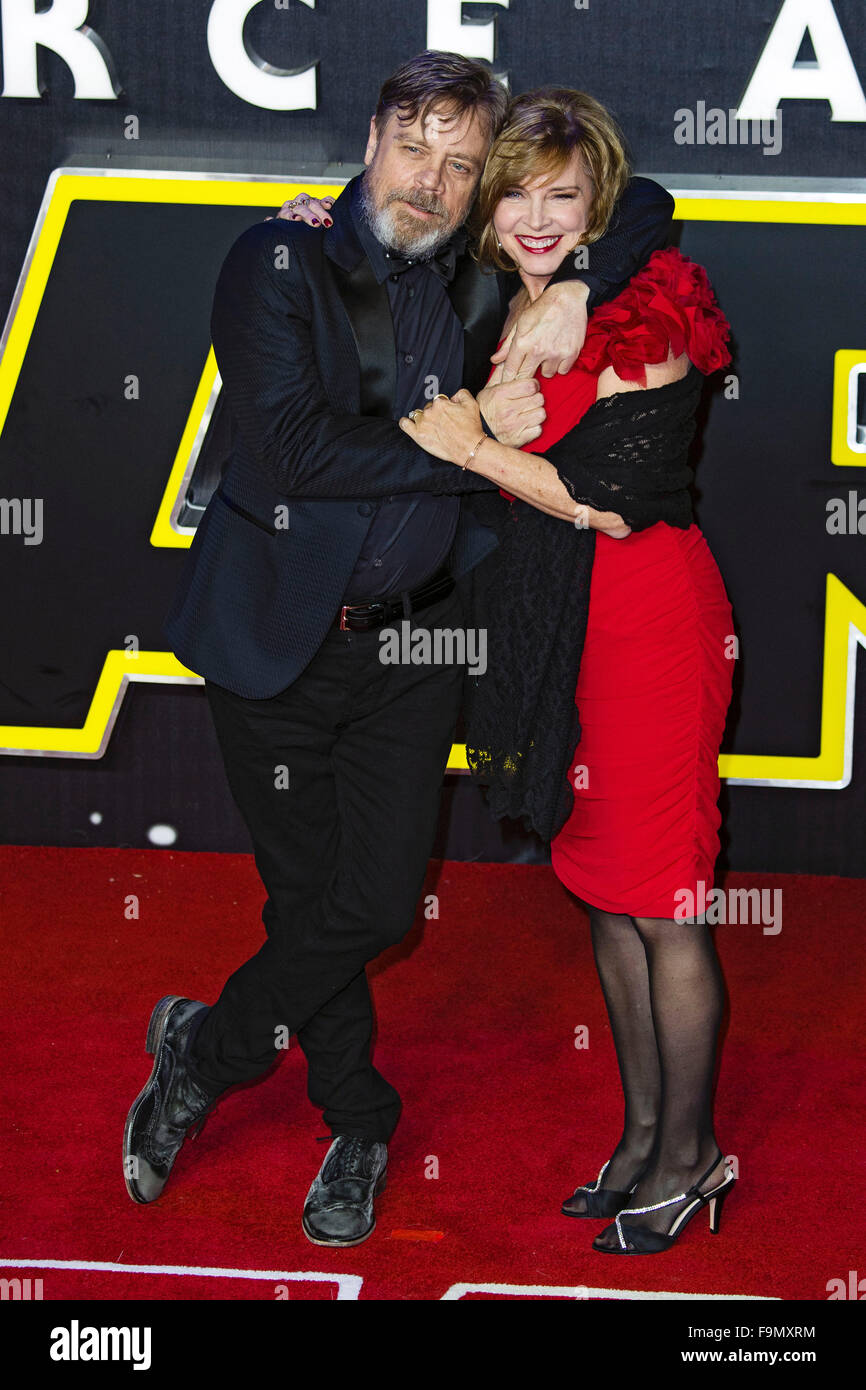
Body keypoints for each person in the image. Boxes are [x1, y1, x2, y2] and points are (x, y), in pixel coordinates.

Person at [123, 52, 675, 1248]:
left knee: (372, 907)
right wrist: (466, 445)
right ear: (371, 135)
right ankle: (359, 1115)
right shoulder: (277, 257)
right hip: (272, 636)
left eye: (461, 165)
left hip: (418, 642)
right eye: (416, 146)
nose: (432, 182)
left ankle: (199, 1051)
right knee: (307, 898)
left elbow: (635, 200)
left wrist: (579, 279)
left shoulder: (481, 269)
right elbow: (287, 455)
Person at [401, 87, 737, 1255]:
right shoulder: (509, 299)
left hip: (647, 621)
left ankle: (692, 1158)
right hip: (568, 638)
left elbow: (614, 501)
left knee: (666, 903)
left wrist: (473, 447)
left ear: (596, 202)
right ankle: (642, 1133)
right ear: (486, 212)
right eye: (516, 196)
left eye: (563, 194)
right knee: (603, 889)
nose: (538, 218)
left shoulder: (650, 304)